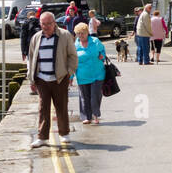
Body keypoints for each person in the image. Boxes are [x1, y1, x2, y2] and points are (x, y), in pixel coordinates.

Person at [27, 12, 78, 148]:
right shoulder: (36, 37)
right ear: (40, 24)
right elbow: (31, 58)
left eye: (49, 23)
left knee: (61, 106)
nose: (46, 26)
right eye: (44, 24)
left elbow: (73, 56)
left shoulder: (65, 35)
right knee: (43, 108)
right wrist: (31, 78)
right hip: (42, 78)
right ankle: (42, 137)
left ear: (54, 23)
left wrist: (69, 73)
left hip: (59, 78)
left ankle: (64, 134)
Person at [73, 22, 108, 125]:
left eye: (82, 33)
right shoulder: (75, 45)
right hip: (82, 76)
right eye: (78, 33)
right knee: (84, 97)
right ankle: (86, 117)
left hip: (97, 74)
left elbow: (102, 51)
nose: (80, 35)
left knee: (95, 96)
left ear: (87, 32)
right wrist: (70, 76)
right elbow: (72, 61)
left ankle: (96, 115)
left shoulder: (95, 41)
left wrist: (102, 56)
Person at [19, 9, 40, 90]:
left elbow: (23, 38)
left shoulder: (25, 23)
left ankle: (32, 84)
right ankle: (38, 84)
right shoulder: (39, 22)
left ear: (28, 16)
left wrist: (23, 52)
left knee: (30, 66)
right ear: (35, 15)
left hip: (29, 48)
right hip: (39, 47)